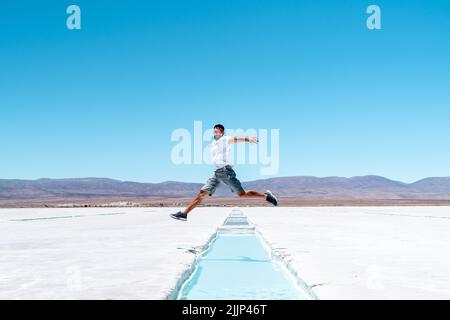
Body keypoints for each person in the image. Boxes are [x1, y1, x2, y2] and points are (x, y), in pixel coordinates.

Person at [170, 124, 278, 221]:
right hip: (216, 174)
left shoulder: (225, 139)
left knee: (242, 194)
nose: (215, 133)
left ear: (222, 133)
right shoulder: (213, 143)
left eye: (217, 131)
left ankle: (266, 196)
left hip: (226, 172)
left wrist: (247, 138)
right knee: (201, 194)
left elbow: (235, 139)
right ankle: (184, 214)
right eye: (214, 131)